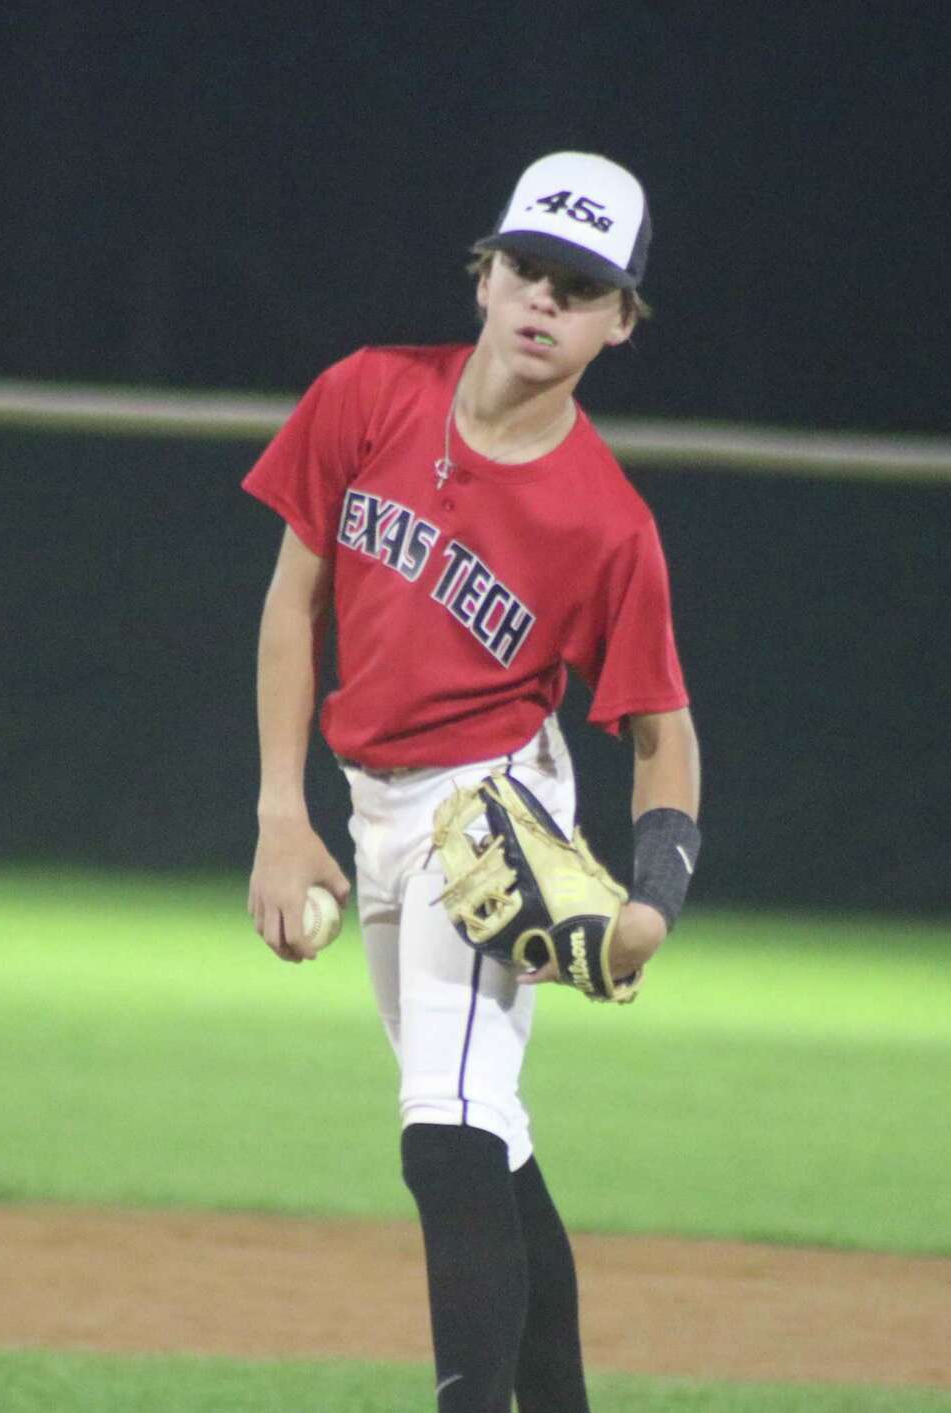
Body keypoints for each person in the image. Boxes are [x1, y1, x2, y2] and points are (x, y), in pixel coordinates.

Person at [243, 151, 701, 1413]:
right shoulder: (368, 395)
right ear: (487, 274)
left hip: (489, 819)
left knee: (443, 1136)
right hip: (366, 806)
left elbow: (662, 729)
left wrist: (656, 898)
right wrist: (284, 815)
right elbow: (296, 600)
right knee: (489, 1142)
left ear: (620, 324)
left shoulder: (606, 521)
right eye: (528, 269)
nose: (544, 301)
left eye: (582, 287)